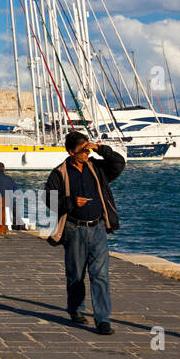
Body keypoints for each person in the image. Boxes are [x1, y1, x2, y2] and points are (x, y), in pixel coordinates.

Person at [44, 131, 125, 335]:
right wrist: (70, 202)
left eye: (88, 150)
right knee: (76, 275)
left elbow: (118, 163)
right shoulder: (58, 174)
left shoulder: (96, 168)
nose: (86, 154)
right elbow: (49, 201)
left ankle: (103, 319)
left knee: (100, 275)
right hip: (73, 229)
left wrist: (99, 148)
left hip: (97, 228)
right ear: (71, 152)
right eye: (83, 151)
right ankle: (76, 310)